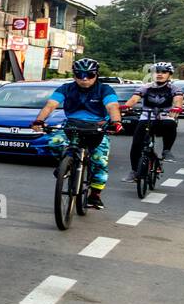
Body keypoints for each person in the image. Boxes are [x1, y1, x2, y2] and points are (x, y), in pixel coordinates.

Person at [30, 58, 123, 210]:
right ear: (74, 75)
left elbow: (112, 106)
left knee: (99, 160)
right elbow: (50, 105)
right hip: (72, 125)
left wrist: (116, 122)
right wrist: (39, 120)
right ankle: (66, 165)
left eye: (89, 75)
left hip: (97, 127)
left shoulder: (105, 89)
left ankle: (95, 195)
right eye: (79, 75)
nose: (84, 79)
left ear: (96, 75)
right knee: (54, 142)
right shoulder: (66, 88)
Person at [121, 62, 184, 179]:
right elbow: (135, 98)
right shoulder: (146, 87)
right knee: (136, 145)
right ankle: (134, 171)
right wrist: (126, 107)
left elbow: (178, 98)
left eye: (163, 72)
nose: (159, 74)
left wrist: (177, 108)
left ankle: (166, 151)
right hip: (147, 118)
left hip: (165, 118)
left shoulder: (174, 88)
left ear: (169, 75)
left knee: (171, 124)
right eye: (157, 72)